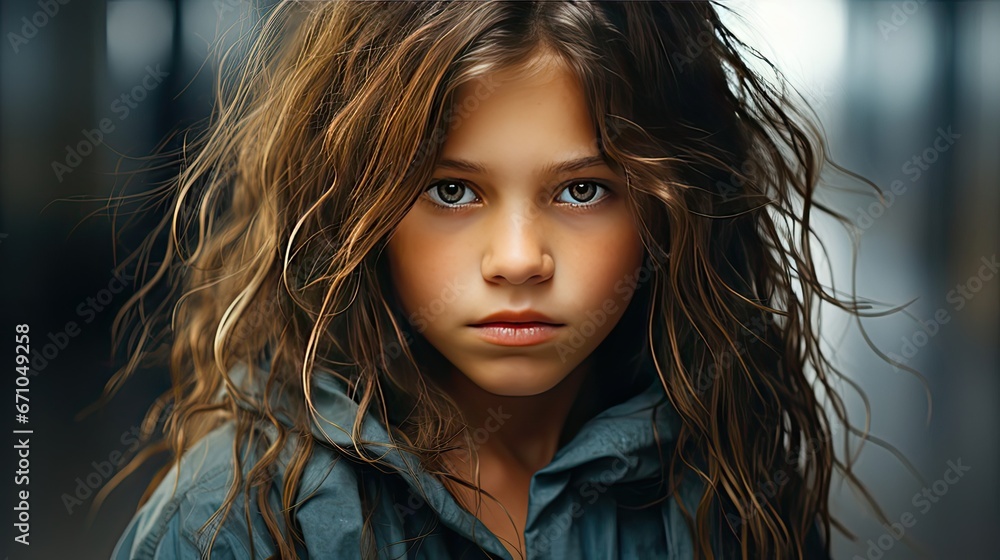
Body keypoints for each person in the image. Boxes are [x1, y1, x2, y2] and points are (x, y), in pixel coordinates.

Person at [107, 1, 886, 558]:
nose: (518, 260)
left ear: (673, 212)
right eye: (451, 191)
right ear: (353, 210)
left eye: (583, 189)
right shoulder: (229, 523)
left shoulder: (727, 488)